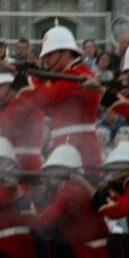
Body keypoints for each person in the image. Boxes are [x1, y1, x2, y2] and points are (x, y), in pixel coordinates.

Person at [32, 144, 110, 258]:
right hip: (83, 252)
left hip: (89, 255)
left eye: (53, 171)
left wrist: (26, 204)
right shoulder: (68, 189)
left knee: (45, 238)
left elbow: (43, 221)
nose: (47, 177)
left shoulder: (71, 190)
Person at [24, 25, 104, 169]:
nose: (46, 60)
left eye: (50, 55)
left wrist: (25, 80)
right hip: (68, 145)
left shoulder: (75, 75)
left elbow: (44, 98)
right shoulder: (71, 74)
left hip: (79, 148)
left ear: (66, 52)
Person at [0, 71, 45, 171]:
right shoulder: (14, 104)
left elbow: (1, 123)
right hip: (17, 162)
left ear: (12, 86)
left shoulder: (21, 101)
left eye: (0, 87)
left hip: (26, 164)